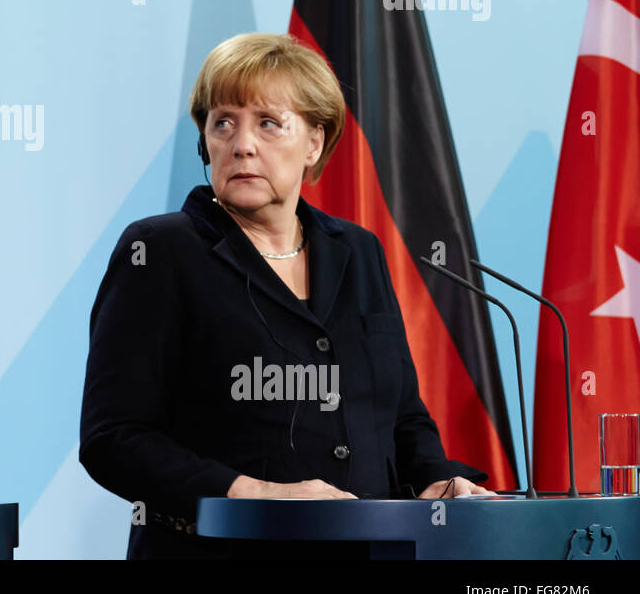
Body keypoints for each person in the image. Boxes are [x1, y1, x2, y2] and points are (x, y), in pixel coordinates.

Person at [79, 32, 491, 559]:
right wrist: (255, 493)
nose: (241, 143)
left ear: (314, 143)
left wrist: (437, 479)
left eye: (268, 123)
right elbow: (114, 438)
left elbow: (401, 414)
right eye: (223, 122)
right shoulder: (160, 250)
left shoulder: (358, 251)